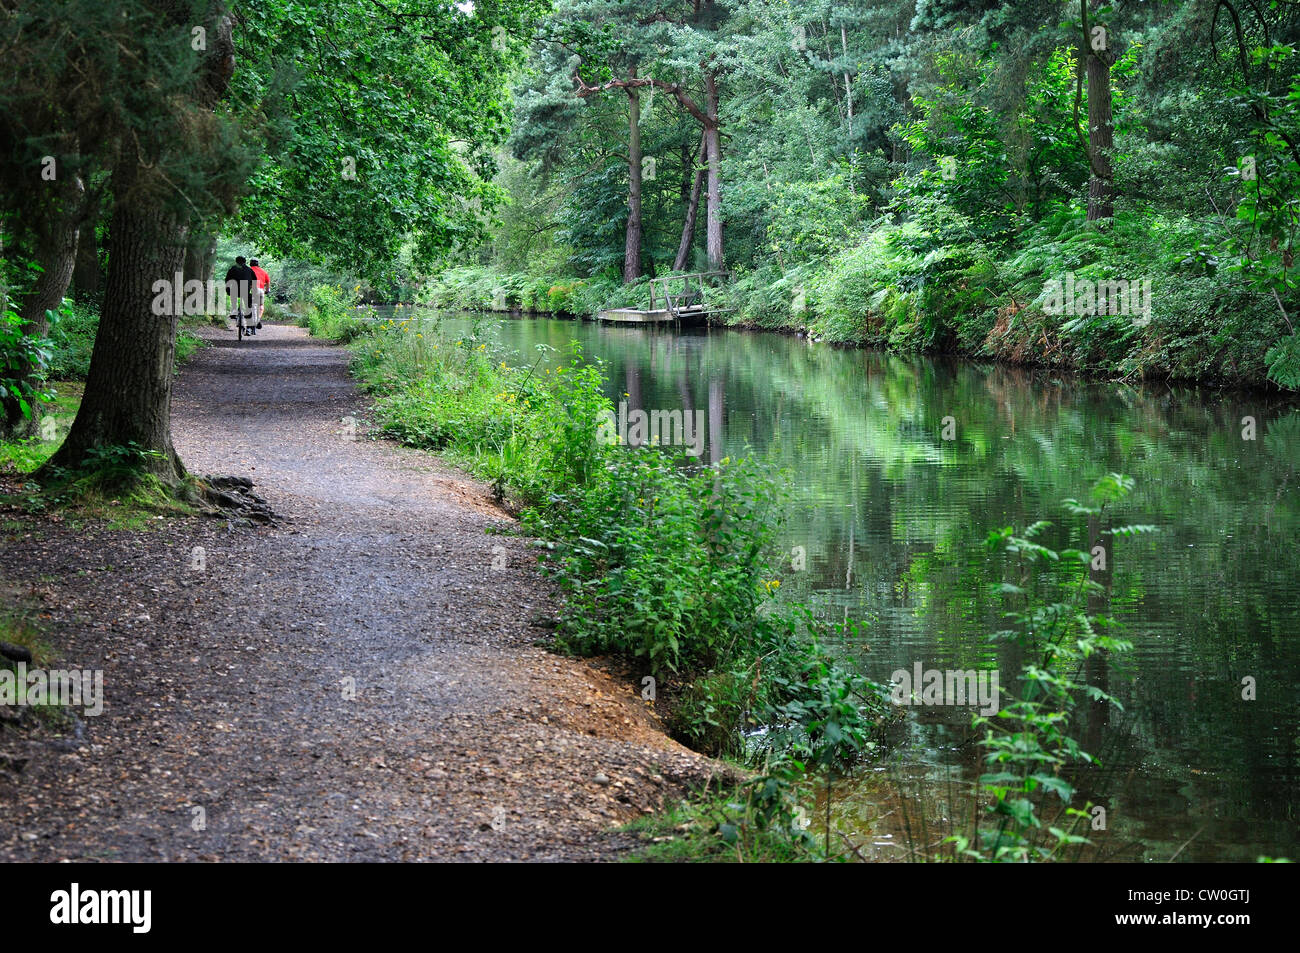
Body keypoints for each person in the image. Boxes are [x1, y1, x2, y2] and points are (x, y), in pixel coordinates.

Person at [224, 256, 258, 335]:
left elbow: (227, 280)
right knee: (248, 308)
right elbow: (255, 281)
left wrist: (227, 290)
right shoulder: (249, 270)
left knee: (233, 297)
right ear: (245, 262)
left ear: (236, 262)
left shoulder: (232, 269)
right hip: (245, 291)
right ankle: (249, 328)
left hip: (234, 291)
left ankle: (234, 312)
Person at [249, 259, 270, 328]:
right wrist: (267, 290)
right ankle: (258, 320)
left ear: (250, 264)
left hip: (251, 289)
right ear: (258, 264)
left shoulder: (248, 270)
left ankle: (253, 320)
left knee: (253, 305)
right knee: (261, 306)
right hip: (260, 290)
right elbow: (267, 282)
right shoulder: (263, 271)